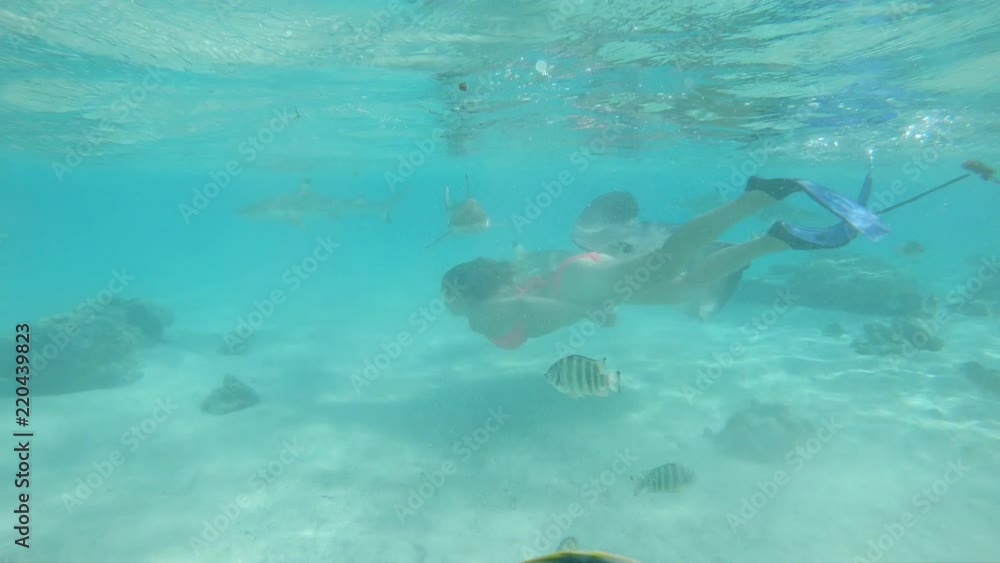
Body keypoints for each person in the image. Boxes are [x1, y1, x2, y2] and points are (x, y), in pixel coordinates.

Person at [440, 172, 885, 349]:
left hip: (578, 286)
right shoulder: (490, 304)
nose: (446, 304)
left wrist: (585, 310)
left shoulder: (484, 315)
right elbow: (531, 308)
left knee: (671, 260)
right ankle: (776, 240)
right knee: (680, 289)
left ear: (464, 292)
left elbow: (526, 310)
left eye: (449, 295)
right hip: (581, 278)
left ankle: (756, 197)